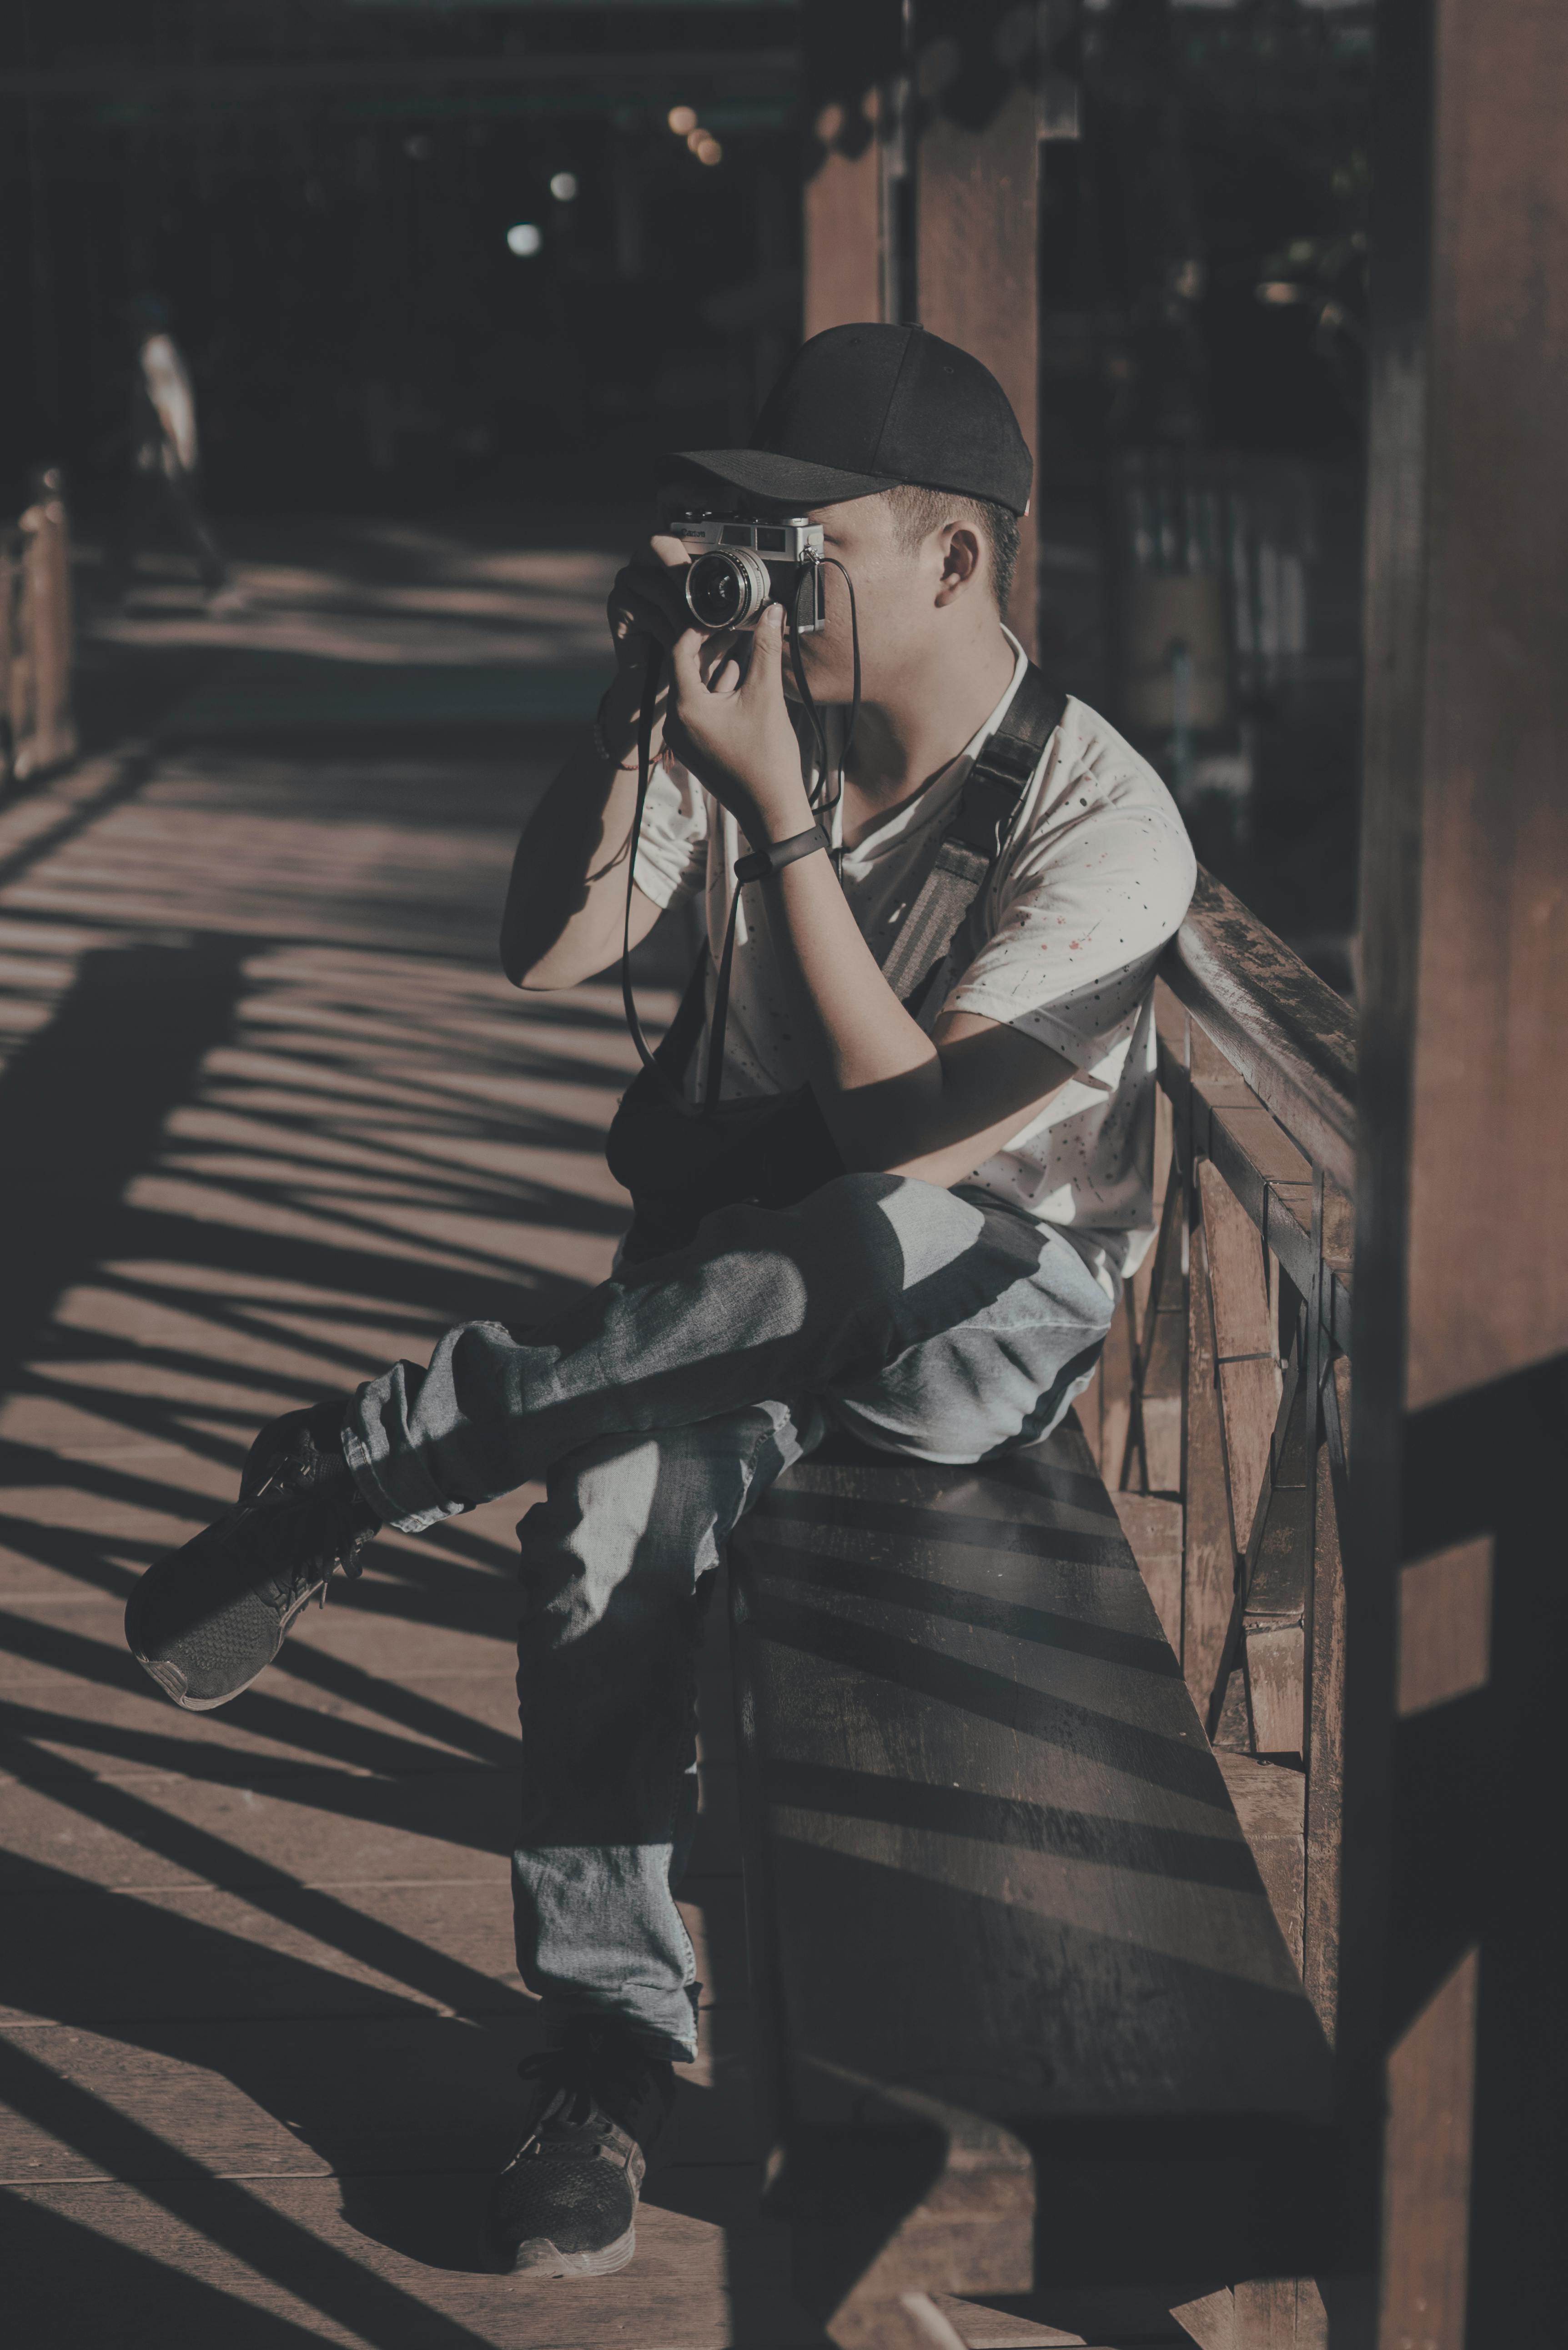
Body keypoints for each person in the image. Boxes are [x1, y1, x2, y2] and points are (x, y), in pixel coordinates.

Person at [122, 324, 1197, 2280]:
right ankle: (610, 2046)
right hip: (739, 1300)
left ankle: (359, 1464)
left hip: (985, 1313)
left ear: (957, 560)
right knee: (605, 1520)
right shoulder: (762, 713)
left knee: (854, 1234)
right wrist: (632, 708)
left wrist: (777, 814)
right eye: (742, 538)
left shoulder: (1100, 815)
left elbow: (901, 1137)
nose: (766, 581)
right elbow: (548, 950)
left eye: (810, 540)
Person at [110, 291, 238, 608]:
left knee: (170, 521)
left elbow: (165, 410)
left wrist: (180, 455)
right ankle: (115, 583)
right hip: (161, 458)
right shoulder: (168, 352)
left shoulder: (153, 356)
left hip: (161, 461)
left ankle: (218, 581)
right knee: (147, 522)